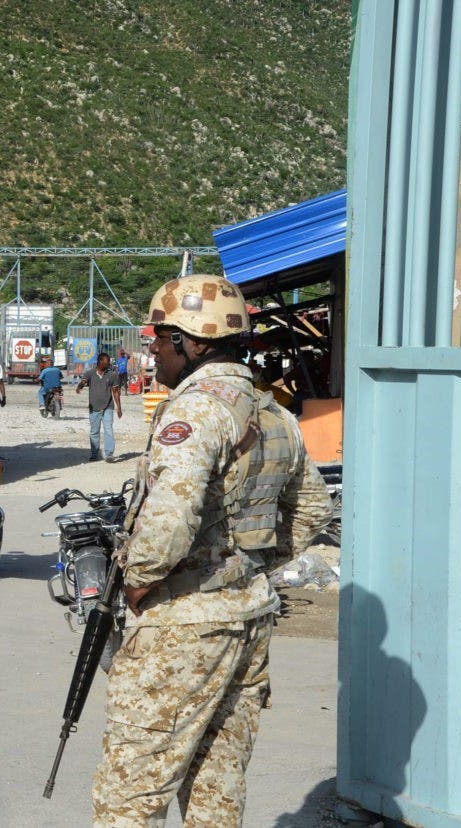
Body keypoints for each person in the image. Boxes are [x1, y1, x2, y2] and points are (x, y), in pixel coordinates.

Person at [89, 274, 333, 827]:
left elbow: (169, 519)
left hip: (183, 626)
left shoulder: (195, 410)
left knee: (130, 797)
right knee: (215, 792)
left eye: (160, 337)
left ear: (192, 342)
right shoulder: (273, 412)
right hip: (248, 617)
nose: (152, 349)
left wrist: (139, 579)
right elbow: (313, 509)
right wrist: (249, 566)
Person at [76, 352, 123, 461]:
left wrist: (119, 408)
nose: (109, 363)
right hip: (94, 408)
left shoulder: (112, 375)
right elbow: (83, 381)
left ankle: (109, 454)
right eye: (107, 361)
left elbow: (115, 392)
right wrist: (80, 387)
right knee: (94, 432)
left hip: (108, 407)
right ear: (100, 361)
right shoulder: (90, 373)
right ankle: (94, 453)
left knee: (108, 430)